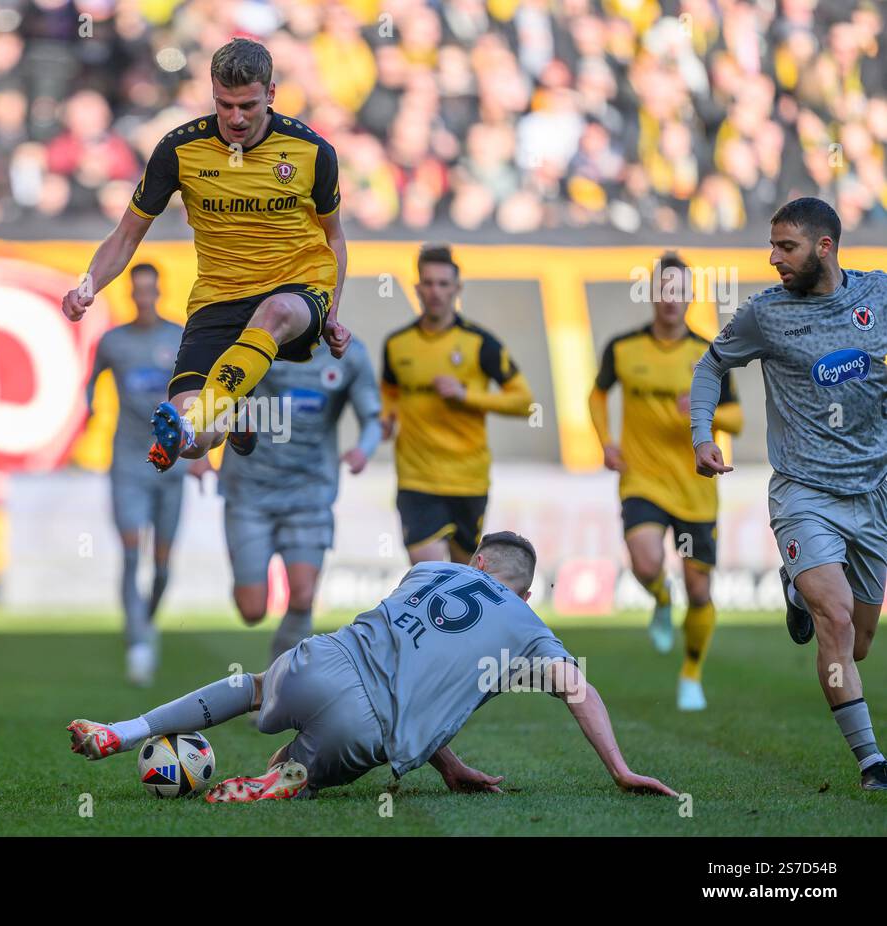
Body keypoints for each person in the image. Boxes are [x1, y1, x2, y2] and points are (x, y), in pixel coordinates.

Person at [68, 531, 676, 803]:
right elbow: (578, 689)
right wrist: (619, 769)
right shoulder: (525, 627)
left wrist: (452, 762)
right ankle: (294, 774)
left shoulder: (430, 571)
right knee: (299, 761)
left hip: (321, 662)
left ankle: (122, 733)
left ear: (480, 561)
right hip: (367, 730)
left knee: (254, 686)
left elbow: (410, 655)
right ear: (523, 593)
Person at [60, 37, 351, 475]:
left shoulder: (312, 152)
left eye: (248, 105)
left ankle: (210, 412)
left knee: (273, 311)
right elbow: (126, 235)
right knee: (193, 442)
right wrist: (88, 285)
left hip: (295, 287)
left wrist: (332, 311)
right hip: (219, 298)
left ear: (271, 94)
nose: (236, 117)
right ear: (212, 93)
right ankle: (227, 415)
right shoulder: (179, 150)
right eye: (224, 104)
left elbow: (335, 238)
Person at [691, 196, 887, 791]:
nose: (773, 258)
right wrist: (703, 435)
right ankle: (872, 764)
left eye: (786, 247)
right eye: (772, 245)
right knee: (835, 619)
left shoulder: (877, 295)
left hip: (873, 491)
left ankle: (793, 593)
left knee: (859, 641)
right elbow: (708, 366)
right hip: (805, 490)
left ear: (824, 248)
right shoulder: (764, 314)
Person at [589, 251, 743, 710]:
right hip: (642, 480)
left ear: (690, 297)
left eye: (680, 291)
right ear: (653, 294)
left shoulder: (709, 354)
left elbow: (737, 418)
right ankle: (659, 598)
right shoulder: (623, 348)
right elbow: (597, 395)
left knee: (699, 591)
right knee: (646, 562)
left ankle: (691, 674)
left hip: (696, 486)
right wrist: (606, 442)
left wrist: (703, 411)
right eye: (664, 290)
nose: (672, 299)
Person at [189, 337, 381, 666]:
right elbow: (215, 395)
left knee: (304, 596)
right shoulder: (256, 342)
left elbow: (372, 418)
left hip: (310, 493)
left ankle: (278, 686)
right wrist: (201, 444)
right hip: (248, 492)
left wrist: (364, 449)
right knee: (252, 610)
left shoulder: (348, 354)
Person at [381, 244, 534, 565]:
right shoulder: (397, 345)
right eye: (428, 283)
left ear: (457, 288)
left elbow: (524, 403)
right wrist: (385, 418)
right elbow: (389, 392)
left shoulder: (481, 344)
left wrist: (467, 396)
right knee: (430, 572)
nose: (435, 291)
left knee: (462, 573)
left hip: (467, 479)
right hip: (416, 478)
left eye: (443, 284)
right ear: (417, 288)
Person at [84, 263, 185, 686]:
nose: (144, 296)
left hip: (170, 460)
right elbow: (91, 382)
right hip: (128, 459)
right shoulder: (114, 342)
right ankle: (138, 643)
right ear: (131, 293)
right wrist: (88, 409)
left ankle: (147, 620)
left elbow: (199, 390)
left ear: (158, 292)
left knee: (161, 563)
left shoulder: (178, 337)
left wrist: (199, 450)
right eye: (137, 289)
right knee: (130, 550)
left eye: (150, 289)